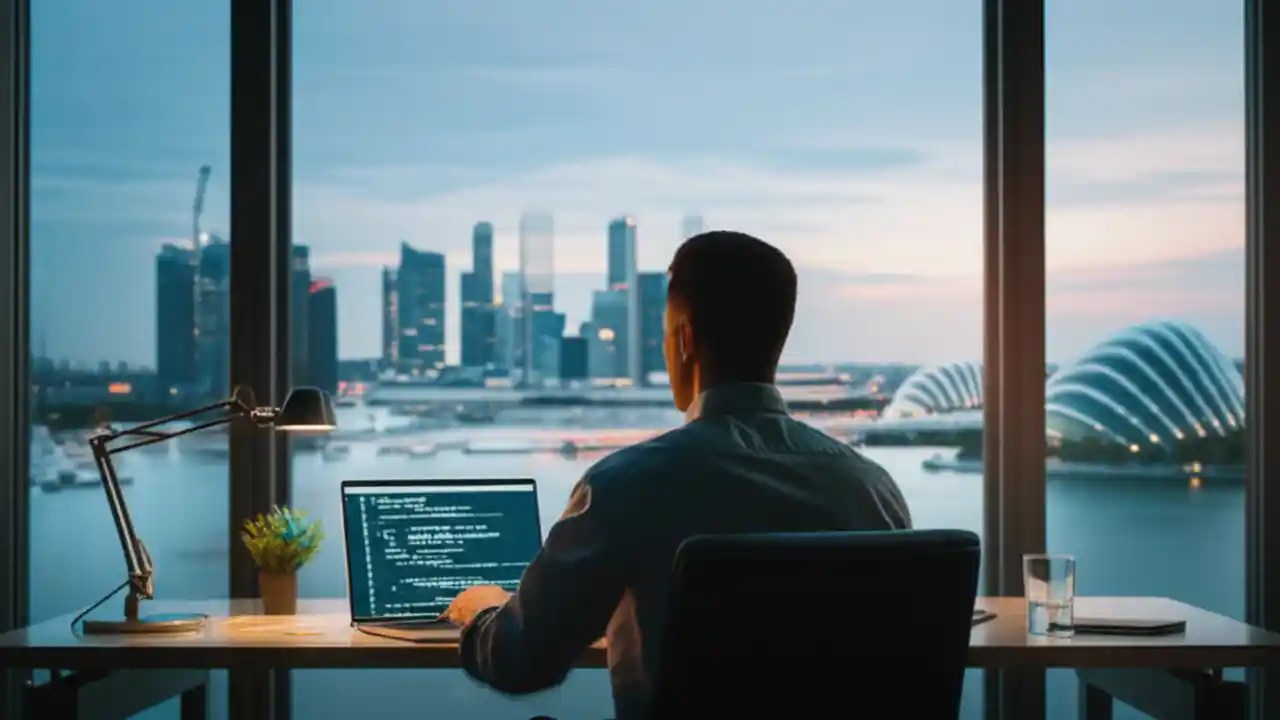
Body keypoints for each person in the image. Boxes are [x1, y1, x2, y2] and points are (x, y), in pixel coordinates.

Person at [444, 230, 912, 719]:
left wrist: (482, 610)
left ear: (684, 339)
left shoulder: (625, 486)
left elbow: (520, 661)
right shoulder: (871, 490)